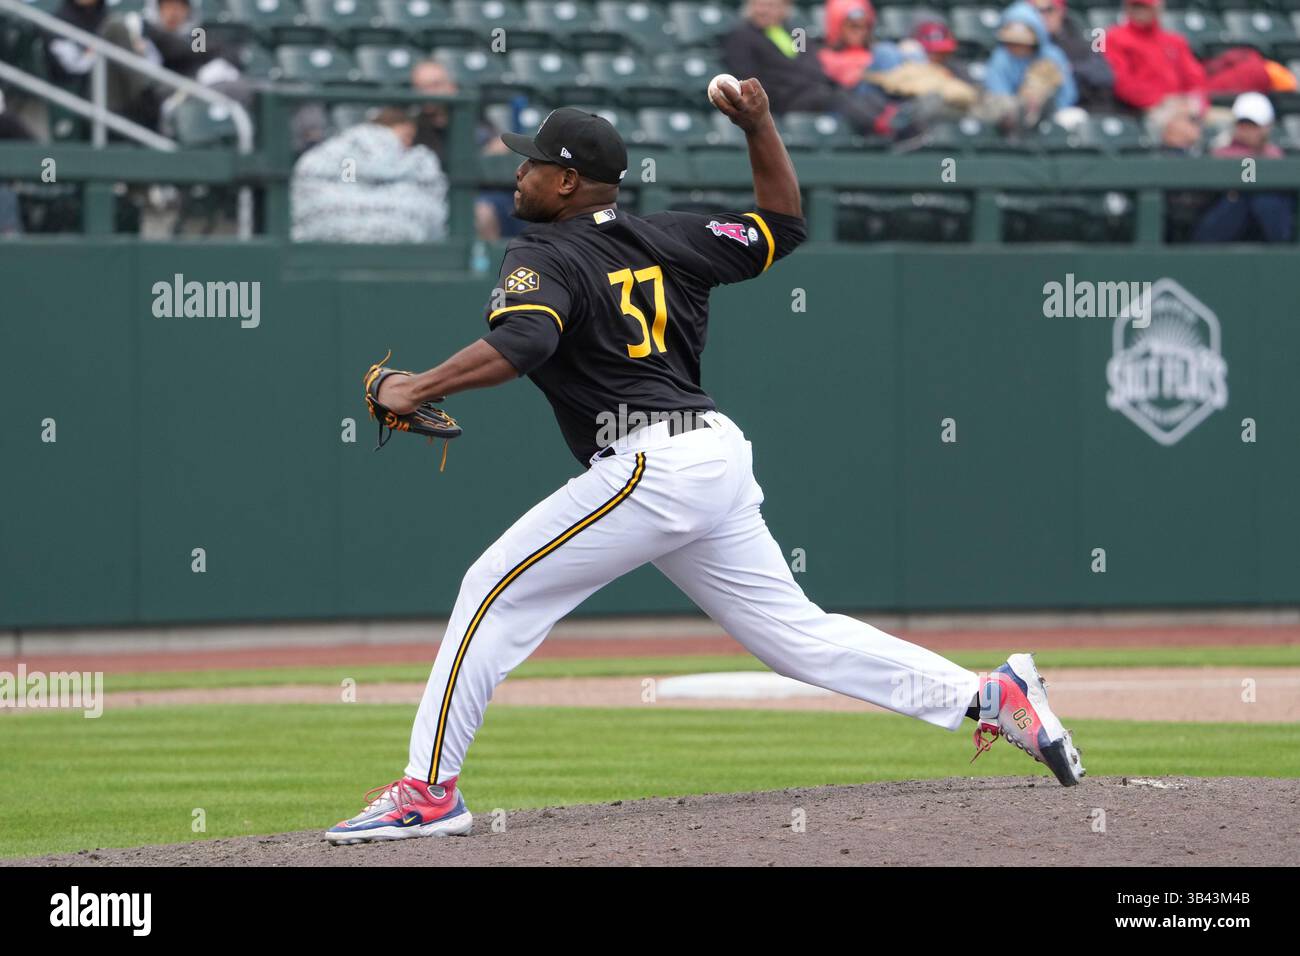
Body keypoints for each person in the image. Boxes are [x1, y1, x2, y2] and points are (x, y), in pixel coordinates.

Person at [325, 88, 1085, 844]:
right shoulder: (671, 234)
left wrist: (414, 385)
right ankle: (989, 696)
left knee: (490, 589)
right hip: (710, 453)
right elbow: (783, 224)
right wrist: (759, 124)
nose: (517, 173)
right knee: (795, 637)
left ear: (565, 182)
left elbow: (525, 344)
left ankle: (427, 791)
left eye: (531, 163)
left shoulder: (543, 250)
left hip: (650, 462)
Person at [722, 0, 902, 137]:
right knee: (831, 96)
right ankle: (884, 127)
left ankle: (894, 116)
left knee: (853, 92)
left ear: (785, 9)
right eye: (760, 5)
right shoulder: (742, 36)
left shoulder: (795, 32)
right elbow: (747, 76)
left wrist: (810, 80)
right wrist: (796, 82)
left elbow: (809, 61)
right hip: (782, 97)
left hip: (810, 90)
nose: (765, 11)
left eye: (773, 6)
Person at [291, 107, 448, 243]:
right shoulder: (349, 153)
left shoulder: (408, 159)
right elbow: (347, 181)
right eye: (406, 136)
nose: (408, 143)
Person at [1193, 93, 1294, 242]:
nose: (1247, 130)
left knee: (1266, 200)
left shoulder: (1275, 154)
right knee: (1243, 198)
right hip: (1225, 228)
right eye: (1243, 124)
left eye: (1253, 125)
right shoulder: (1220, 152)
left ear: (1267, 127)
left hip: (1264, 231)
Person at [980, 3, 1078, 129]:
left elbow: (1068, 94)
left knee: (1074, 116)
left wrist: (1045, 99)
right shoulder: (1000, 58)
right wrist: (1023, 101)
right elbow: (998, 94)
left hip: (1052, 114)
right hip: (1010, 118)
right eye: (1013, 42)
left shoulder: (1052, 55)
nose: (1018, 47)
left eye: (1023, 43)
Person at [1104, 0, 1206, 115]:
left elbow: (1195, 79)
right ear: (1127, 8)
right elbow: (1122, 83)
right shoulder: (1115, 38)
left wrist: (1196, 104)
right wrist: (1160, 101)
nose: (1140, 12)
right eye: (1135, 6)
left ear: (1158, 8)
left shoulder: (1174, 41)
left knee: (1224, 120)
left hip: (1180, 107)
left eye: (1145, 7)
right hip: (1142, 110)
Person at [1033, 0, 1114, 111]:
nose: (1043, 16)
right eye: (1037, 11)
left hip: (1082, 106)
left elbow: (1104, 75)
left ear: (1061, 11)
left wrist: (1070, 70)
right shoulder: (1021, 44)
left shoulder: (1078, 38)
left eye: (1049, 10)